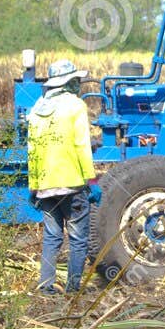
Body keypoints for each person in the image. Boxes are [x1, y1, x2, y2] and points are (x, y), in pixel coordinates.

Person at [26, 58, 99, 294]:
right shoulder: (75, 106)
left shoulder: (37, 109)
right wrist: (92, 181)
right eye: (77, 80)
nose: (79, 84)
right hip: (72, 185)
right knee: (77, 239)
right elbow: (81, 145)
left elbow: (33, 151)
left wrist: (33, 187)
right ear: (70, 82)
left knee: (52, 237)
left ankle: (46, 287)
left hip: (46, 186)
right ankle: (72, 289)